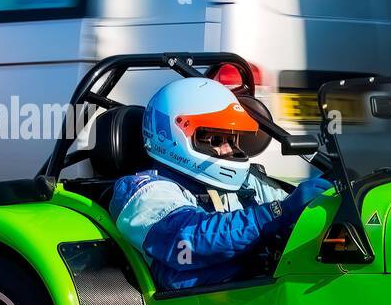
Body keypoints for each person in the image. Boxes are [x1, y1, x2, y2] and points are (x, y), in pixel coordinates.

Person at [109, 77, 332, 291]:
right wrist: (274, 214)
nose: (228, 150)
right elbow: (189, 243)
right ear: (171, 136)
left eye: (232, 139)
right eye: (216, 140)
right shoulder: (144, 191)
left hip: (259, 299)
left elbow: (293, 213)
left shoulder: (246, 181)